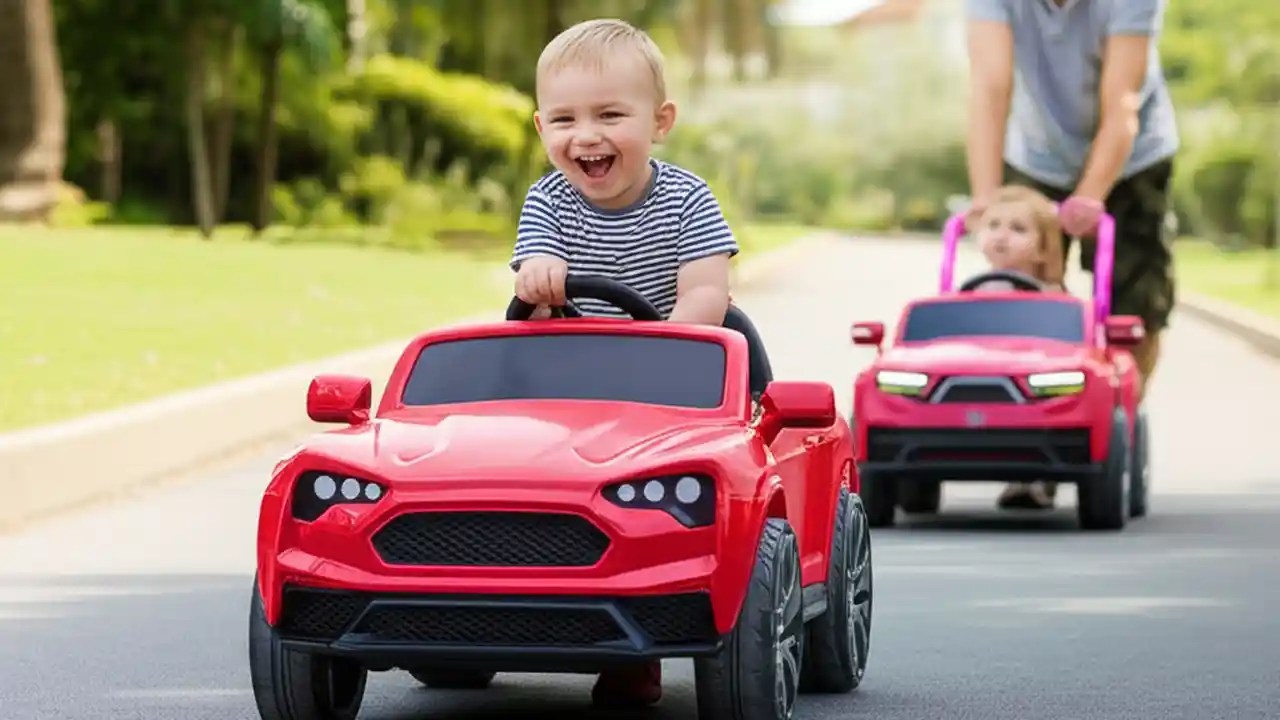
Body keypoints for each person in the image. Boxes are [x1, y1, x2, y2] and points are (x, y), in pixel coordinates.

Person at [509, 18, 739, 707]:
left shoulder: (686, 199)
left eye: (610, 115)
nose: (586, 135)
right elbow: (535, 264)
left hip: (669, 382)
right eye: (564, 119)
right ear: (541, 127)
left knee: (648, 517)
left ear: (660, 121)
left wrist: (662, 345)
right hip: (566, 384)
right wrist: (541, 272)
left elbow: (706, 291)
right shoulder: (547, 201)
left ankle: (638, 650)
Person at [964, 0, 1178, 509]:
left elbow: (1122, 101)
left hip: (1132, 155)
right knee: (1024, 295)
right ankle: (1032, 453)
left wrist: (1091, 194)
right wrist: (988, 200)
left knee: (1136, 308)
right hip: (1036, 153)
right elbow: (990, 89)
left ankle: (1107, 435)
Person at [972, 184, 1070, 509]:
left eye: (1017, 229)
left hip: (1036, 379)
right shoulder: (971, 292)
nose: (1002, 236)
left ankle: (1033, 480)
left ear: (1042, 249)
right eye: (993, 226)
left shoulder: (1052, 297)